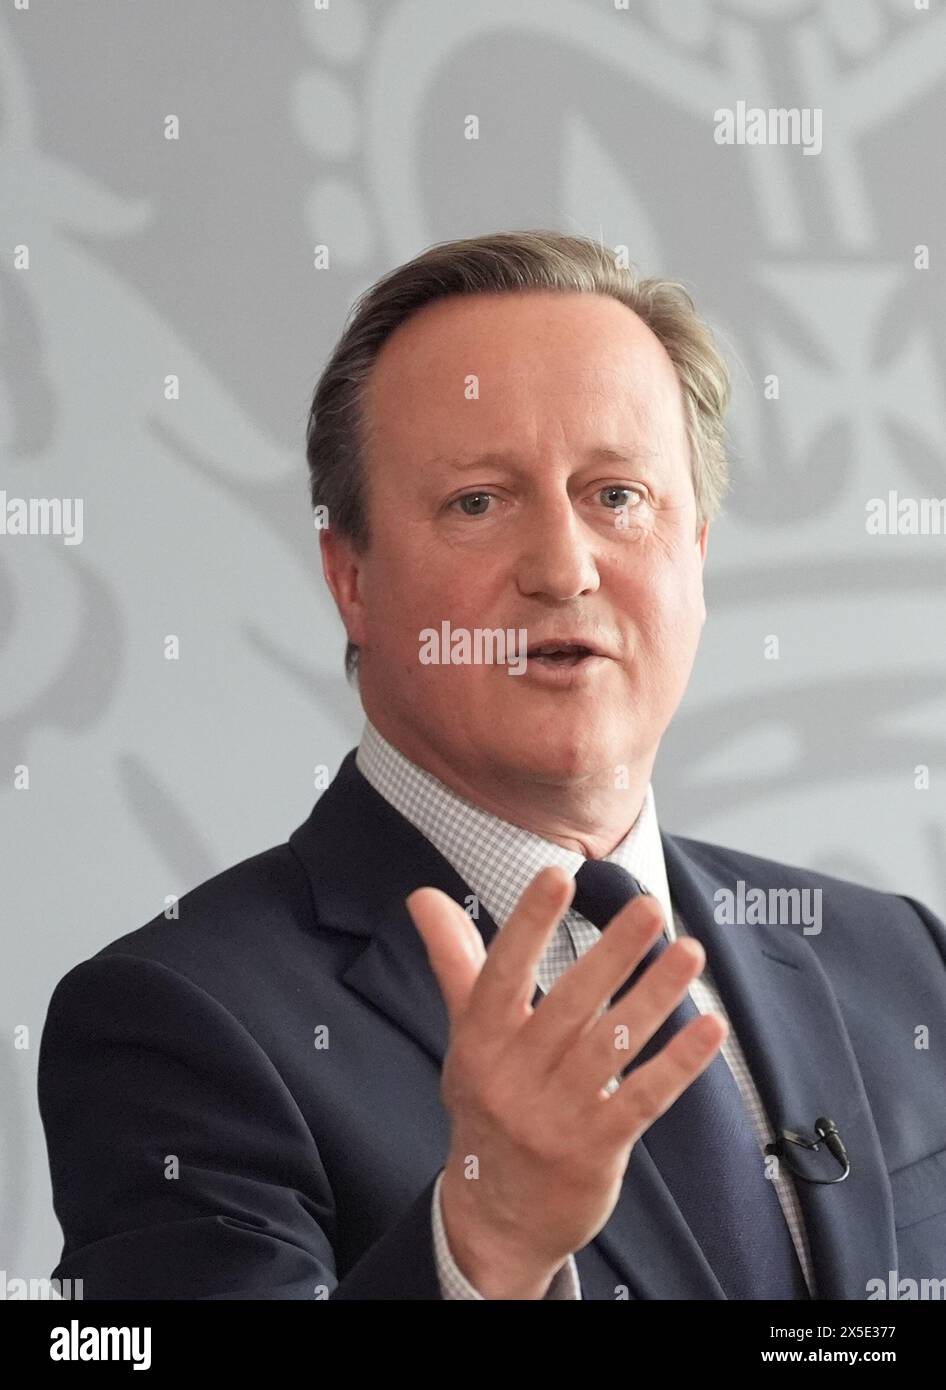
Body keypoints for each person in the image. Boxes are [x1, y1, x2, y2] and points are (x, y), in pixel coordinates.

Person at [38, 231, 946, 1300]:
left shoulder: (899, 962)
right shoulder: (176, 1018)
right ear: (352, 577)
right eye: (478, 501)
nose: (563, 568)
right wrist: (483, 1246)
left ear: (695, 553)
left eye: (617, 495)